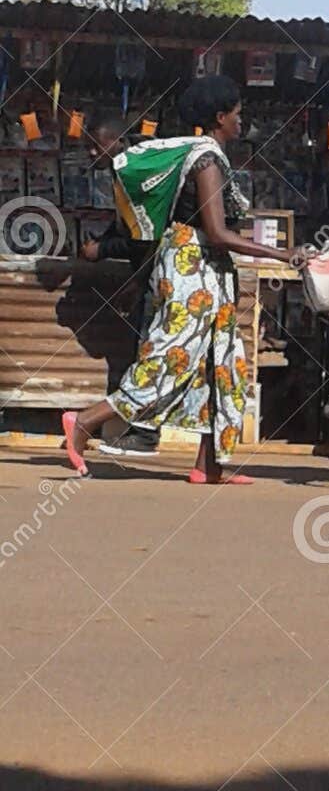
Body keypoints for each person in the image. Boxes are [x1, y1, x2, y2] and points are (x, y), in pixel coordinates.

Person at [62, 75, 297, 485]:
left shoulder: (209, 156)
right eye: (237, 113)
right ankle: (85, 422)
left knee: (221, 366)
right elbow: (218, 232)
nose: (242, 121)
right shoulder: (206, 160)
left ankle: (209, 466)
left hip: (209, 273)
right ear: (220, 117)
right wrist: (283, 254)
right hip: (193, 274)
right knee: (169, 361)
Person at [81, 119, 160, 458]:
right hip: (148, 276)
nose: (91, 152)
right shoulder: (126, 173)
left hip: (158, 277)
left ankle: (143, 433)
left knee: (149, 353)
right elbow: (128, 226)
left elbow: (143, 234)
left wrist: (103, 250)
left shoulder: (130, 174)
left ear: (116, 142)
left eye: (97, 145)